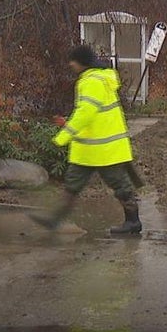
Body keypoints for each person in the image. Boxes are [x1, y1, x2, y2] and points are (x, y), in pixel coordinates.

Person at [30, 44, 142, 234]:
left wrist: (63, 136)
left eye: (73, 61)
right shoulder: (95, 79)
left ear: (81, 62)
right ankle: (54, 220)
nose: (70, 64)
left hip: (104, 150)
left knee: (120, 185)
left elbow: (86, 112)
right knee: (73, 184)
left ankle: (133, 222)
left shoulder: (92, 81)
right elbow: (91, 114)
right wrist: (67, 124)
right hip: (91, 148)